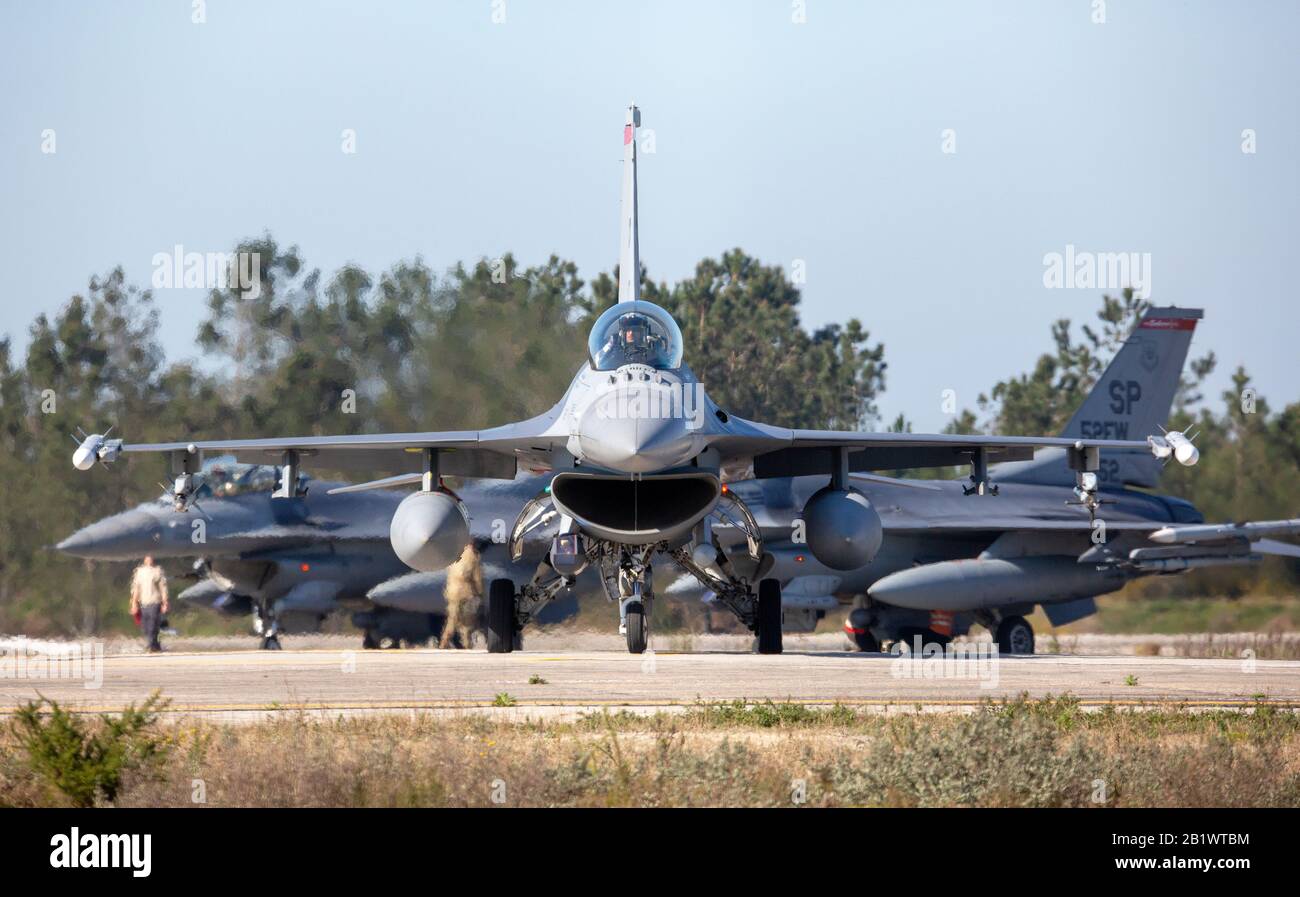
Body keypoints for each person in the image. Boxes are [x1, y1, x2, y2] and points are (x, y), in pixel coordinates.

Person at [440, 541, 483, 649]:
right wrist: (480, 593)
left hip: (453, 592)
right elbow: (477, 577)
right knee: (466, 621)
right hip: (466, 592)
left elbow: (450, 573)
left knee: (452, 618)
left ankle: (444, 641)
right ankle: (467, 644)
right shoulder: (472, 556)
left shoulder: (454, 554)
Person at [129, 556, 170, 652]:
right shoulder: (140, 572)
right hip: (143, 602)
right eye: (147, 558)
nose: (149, 560)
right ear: (144, 559)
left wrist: (165, 602)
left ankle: (150, 645)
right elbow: (136, 588)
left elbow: (163, 588)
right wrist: (134, 603)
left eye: (150, 558)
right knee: (145, 626)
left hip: (155, 601)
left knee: (152, 625)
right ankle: (155, 645)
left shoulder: (157, 571)